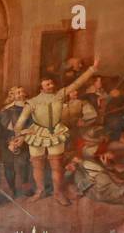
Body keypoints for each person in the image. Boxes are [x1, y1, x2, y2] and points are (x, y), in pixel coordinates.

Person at [13, 58, 100, 205]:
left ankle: (58, 193)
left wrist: (92, 69)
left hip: (56, 132)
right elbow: (19, 124)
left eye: (51, 83)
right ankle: (40, 191)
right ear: (41, 88)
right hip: (37, 134)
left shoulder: (60, 95)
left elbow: (76, 84)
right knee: (37, 165)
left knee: (56, 166)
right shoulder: (32, 102)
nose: (51, 86)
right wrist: (22, 134)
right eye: (47, 84)